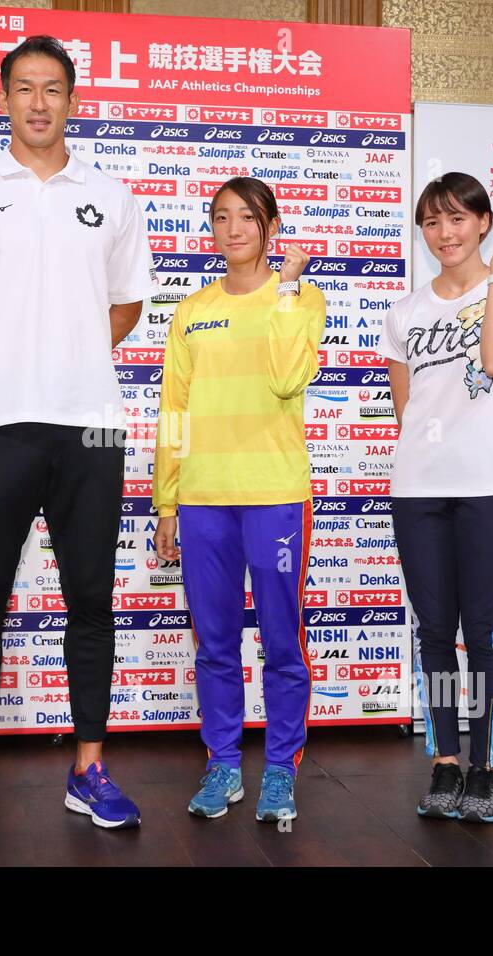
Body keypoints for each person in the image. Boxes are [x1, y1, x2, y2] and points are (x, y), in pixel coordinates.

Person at [0, 36, 160, 841]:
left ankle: (89, 767)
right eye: (25, 88)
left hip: (90, 429)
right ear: (4, 97)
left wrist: (71, 348)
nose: (40, 102)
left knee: (91, 600)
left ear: (73, 99)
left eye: (54, 88)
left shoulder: (112, 195)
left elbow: (127, 305)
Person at [376, 172, 493, 824]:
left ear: (483, 222)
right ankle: (445, 759)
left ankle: (483, 765)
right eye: (432, 221)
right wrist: (426, 461)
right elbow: (407, 409)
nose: (444, 233)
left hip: (490, 488)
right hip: (419, 489)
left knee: (483, 632)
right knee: (434, 634)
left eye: (457, 219)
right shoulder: (405, 313)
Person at [152, 177, 326, 822]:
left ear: (270, 226)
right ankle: (222, 764)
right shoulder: (193, 309)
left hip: (274, 495)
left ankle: (280, 769)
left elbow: (286, 376)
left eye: (246, 218)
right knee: (216, 642)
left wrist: (286, 287)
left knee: (282, 640)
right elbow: (174, 409)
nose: (232, 230)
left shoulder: (302, 299)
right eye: (220, 217)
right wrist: (166, 501)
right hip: (203, 500)